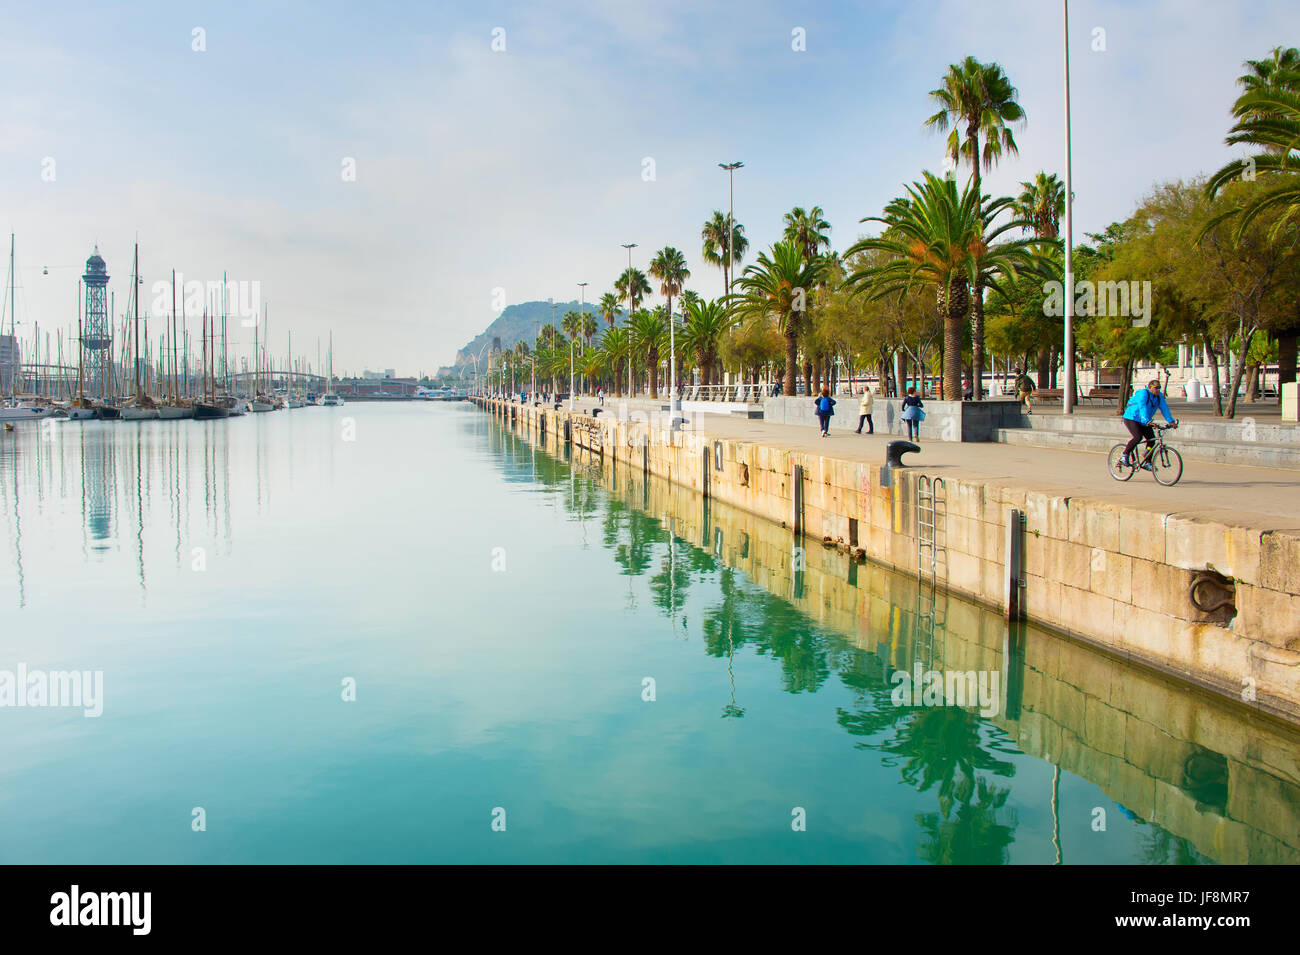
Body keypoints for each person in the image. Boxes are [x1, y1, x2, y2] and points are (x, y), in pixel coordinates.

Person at [1121, 379, 1177, 469]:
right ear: (1150, 387)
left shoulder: (1159, 397)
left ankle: (1147, 461)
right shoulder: (1143, 394)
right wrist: (1146, 421)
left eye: (1159, 388)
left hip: (1145, 420)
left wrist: (1171, 421)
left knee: (1152, 440)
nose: (1158, 390)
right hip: (1132, 418)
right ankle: (1125, 454)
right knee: (1138, 437)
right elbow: (1142, 407)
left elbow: (1164, 409)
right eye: (1156, 388)